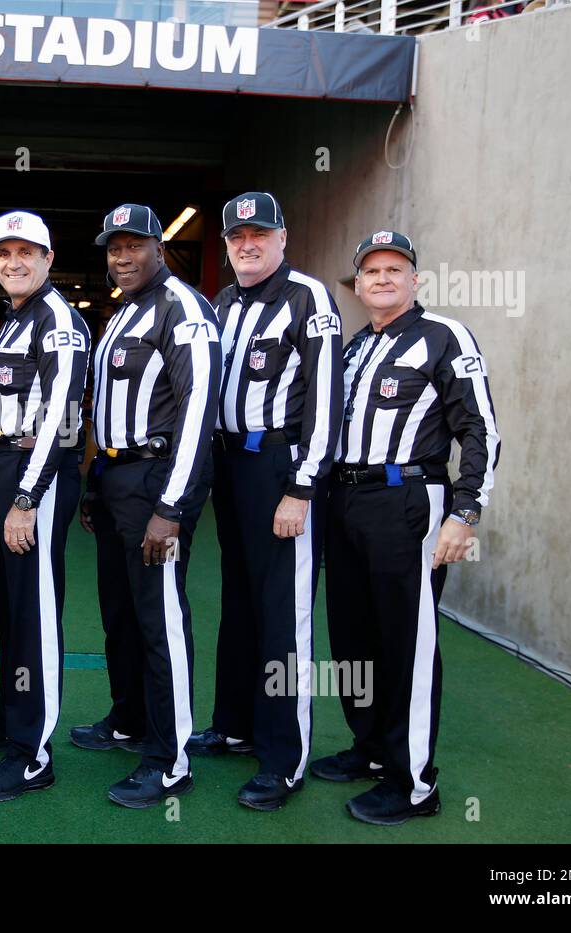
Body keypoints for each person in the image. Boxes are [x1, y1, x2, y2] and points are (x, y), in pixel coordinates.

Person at [314, 230, 500, 825]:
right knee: (354, 637)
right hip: (346, 500)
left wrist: (464, 512)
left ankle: (414, 781)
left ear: (414, 279)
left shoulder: (444, 337)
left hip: (408, 501)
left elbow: (481, 430)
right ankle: (370, 749)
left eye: (395, 269)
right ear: (359, 282)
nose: (383, 278)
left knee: (407, 644)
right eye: (371, 271)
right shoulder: (352, 347)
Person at [190, 191, 344, 811]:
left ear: (284, 238)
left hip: (281, 466)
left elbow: (326, 403)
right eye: (236, 237)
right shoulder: (223, 303)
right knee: (241, 599)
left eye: (260, 233)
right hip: (231, 466)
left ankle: (284, 758)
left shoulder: (309, 298)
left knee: (285, 614)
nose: (247, 244)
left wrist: (302, 486)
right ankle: (234, 725)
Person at [76, 203, 220, 808]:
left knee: (160, 619)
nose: (123, 256)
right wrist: (92, 482)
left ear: (160, 247)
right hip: (115, 478)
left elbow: (198, 413)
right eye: (114, 247)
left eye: (135, 245)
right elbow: (104, 407)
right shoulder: (123, 311)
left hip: (156, 481)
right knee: (121, 613)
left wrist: (172, 506)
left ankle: (170, 757)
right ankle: (130, 719)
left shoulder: (181, 307)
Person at [0, 210, 89, 802]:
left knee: (33, 613)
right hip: (5, 467)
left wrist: (25, 499)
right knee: (11, 609)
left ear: (47, 259)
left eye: (26, 252)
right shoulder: (15, 319)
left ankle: (33, 754)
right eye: (4, 252)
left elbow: (62, 422)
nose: (14, 262)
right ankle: (12, 718)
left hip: (35, 477)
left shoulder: (57, 319)